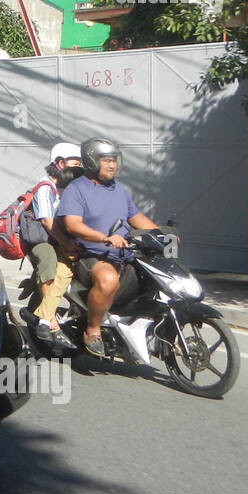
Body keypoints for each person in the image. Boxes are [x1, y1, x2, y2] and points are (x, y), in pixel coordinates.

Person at [56, 135, 159, 356]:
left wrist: (160, 235)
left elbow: (136, 217)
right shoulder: (77, 189)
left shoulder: (118, 189)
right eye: (106, 160)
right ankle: (93, 329)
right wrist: (104, 238)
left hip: (122, 254)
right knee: (108, 279)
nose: (113, 164)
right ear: (92, 161)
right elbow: (72, 225)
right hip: (91, 255)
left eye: (114, 159)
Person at [25, 142, 82, 355]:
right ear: (59, 164)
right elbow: (47, 222)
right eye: (74, 165)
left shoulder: (68, 187)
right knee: (49, 262)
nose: (78, 170)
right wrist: (66, 243)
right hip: (41, 239)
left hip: (58, 237)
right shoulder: (45, 186)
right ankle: (49, 319)